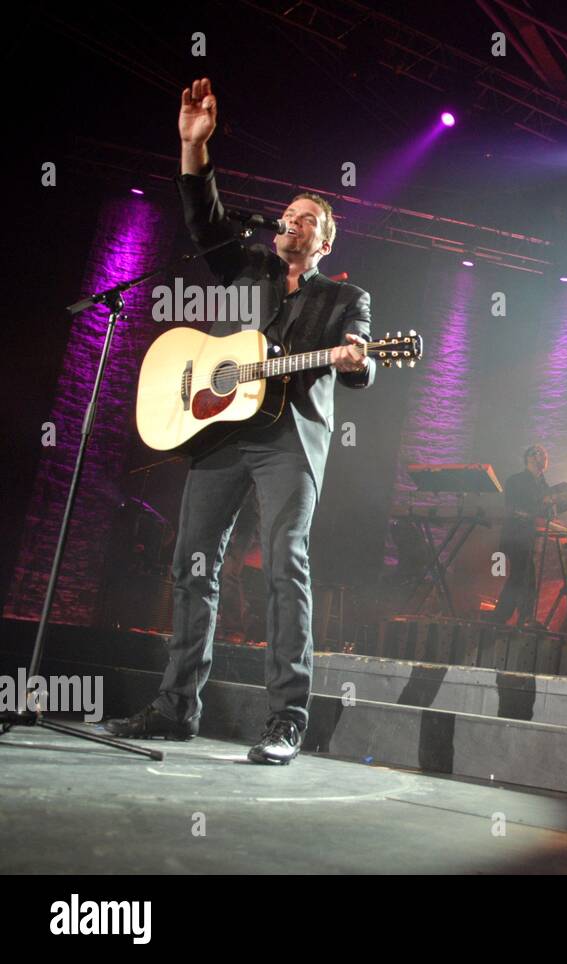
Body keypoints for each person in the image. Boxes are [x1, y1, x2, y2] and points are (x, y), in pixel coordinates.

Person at [105, 78, 376, 764]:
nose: (293, 221)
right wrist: (194, 147)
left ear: (326, 242)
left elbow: (365, 364)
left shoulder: (346, 296)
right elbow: (204, 219)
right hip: (222, 431)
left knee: (285, 562)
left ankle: (286, 715)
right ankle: (175, 709)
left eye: (307, 218)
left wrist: (355, 360)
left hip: (288, 440)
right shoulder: (249, 264)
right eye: (289, 213)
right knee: (192, 565)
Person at [489, 445, 553, 626]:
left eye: (546, 455)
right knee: (525, 577)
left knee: (520, 577)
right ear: (529, 458)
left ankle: (501, 617)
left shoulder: (544, 485)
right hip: (514, 537)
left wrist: (552, 507)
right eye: (540, 453)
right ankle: (523, 618)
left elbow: (548, 510)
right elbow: (515, 508)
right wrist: (539, 509)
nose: (544, 457)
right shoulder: (516, 480)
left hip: (528, 539)